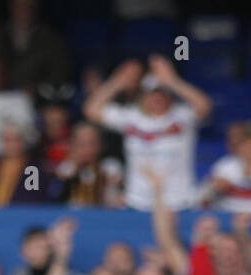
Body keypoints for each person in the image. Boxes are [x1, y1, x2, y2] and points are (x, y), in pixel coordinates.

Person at [83, 56, 212, 211]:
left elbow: (204, 106)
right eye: (151, 94)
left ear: (169, 95)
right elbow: (91, 110)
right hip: (137, 203)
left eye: (161, 94)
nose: (157, 99)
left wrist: (172, 81)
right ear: (143, 96)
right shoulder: (131, 117)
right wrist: (118, 81)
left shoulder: (182, 116)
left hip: (179, 203)